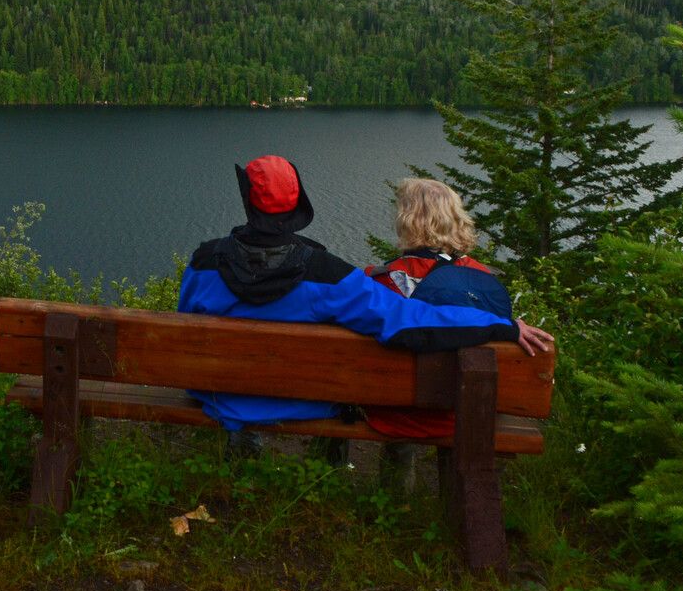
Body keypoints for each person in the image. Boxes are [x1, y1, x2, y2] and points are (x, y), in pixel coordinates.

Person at [177, 156, 552, 442]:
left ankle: (241, 446)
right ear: (296, 207)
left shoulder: (203, 262)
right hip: (305, 402)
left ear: (248, 201)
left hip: (217, 394)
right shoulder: (331, 276)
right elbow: (411, 322)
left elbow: (186, 322)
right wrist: (500, 326)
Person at [363, 177, 523, 443]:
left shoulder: (380, 280)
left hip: (394, 415)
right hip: (467, 414)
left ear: (407, 219)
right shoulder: (484, 281)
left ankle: (395, 467)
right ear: (456, 218)